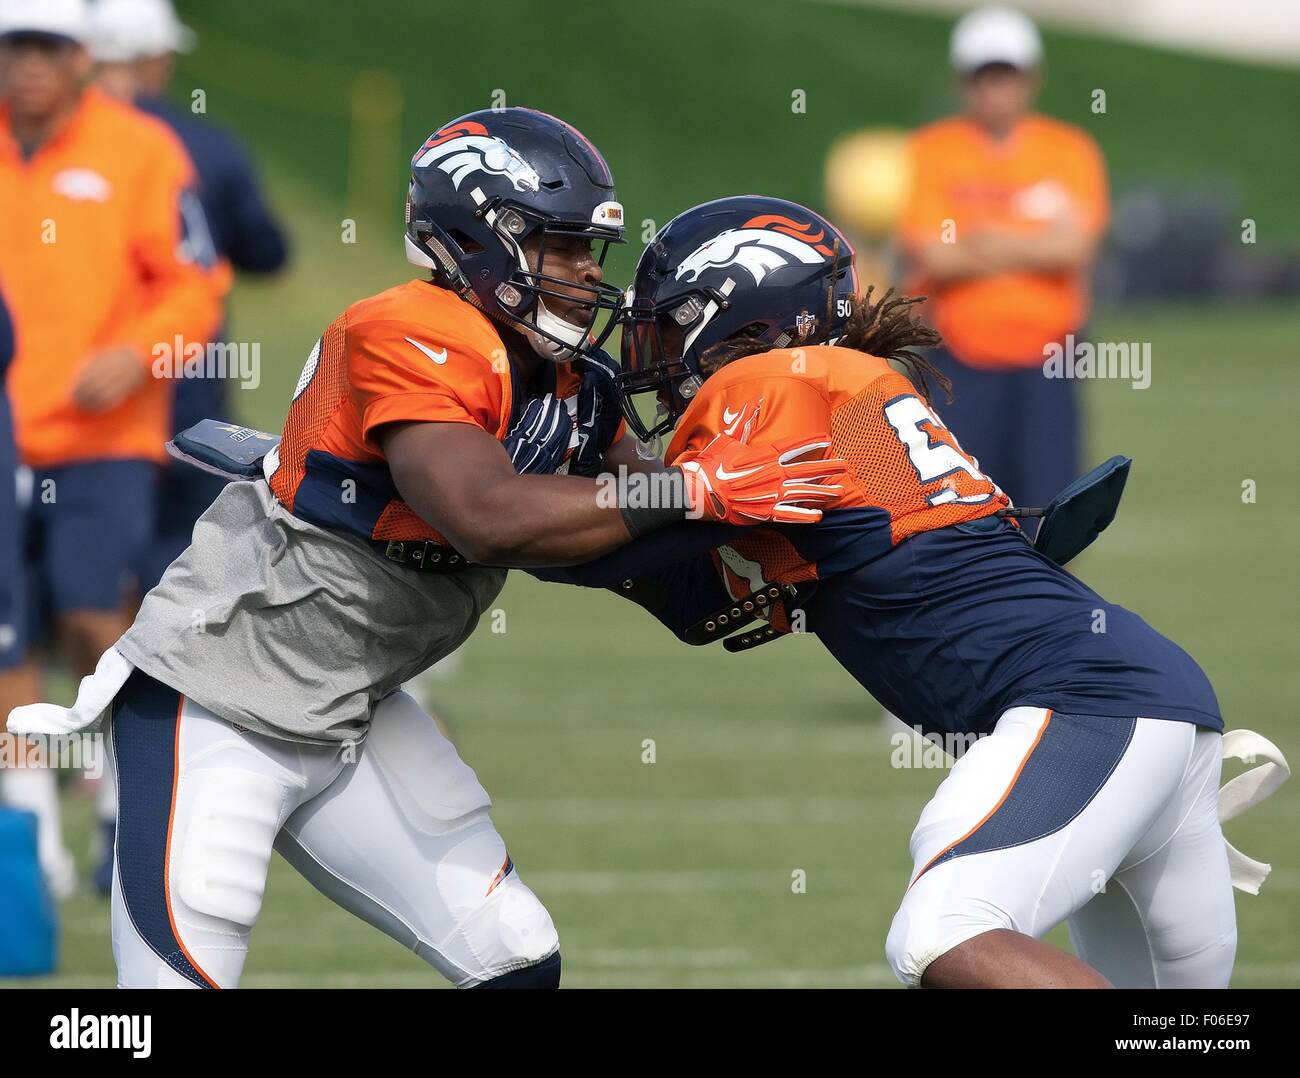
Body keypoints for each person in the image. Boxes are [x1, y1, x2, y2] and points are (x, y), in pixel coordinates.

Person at [7, 112, 844, 988]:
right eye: (563, 247)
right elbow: (485, 514)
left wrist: (797, 560)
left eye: (591, 250)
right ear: (480, 240)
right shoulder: (408, 329)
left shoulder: (575, 386)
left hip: (353, 709)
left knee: (513, 959)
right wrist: (692, 489)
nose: (590, 274)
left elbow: (643, 557)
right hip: (218, 699)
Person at [539, 194, 1282, 988]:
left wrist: (506, 511)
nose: (654, 356)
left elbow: (654, 532)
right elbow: (689, 597)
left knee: (944, 933)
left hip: (1088, 709)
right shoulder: (843, 387)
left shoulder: (770, 384)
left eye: (673, 326)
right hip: (1155, 711)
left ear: (752, 325)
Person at [0, 0, 222, 897]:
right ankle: (29, 833)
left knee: (96, 615)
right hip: (0, 433)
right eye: (14, 48)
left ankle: (121, 807)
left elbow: (197, 284)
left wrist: (138, 356)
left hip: (102, 437)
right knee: (7, 636)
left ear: (84, 55)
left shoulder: (141, 151)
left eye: (47, 48)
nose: (28, 67)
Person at [88, 0, 291, 895]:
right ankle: (138, 806)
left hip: (77, 418)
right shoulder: (198, 147)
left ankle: (90, 797)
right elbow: (267, 250)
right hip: (189, 404)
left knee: (89, 598)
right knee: (177, 599)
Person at [896, 5, 1108, 509]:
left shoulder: (1069, 149)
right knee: (959, 508)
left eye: (1006, 76)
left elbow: (1074, 246)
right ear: (963, 81)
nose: (995, 90)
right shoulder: (931, 150)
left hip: (1049, 362)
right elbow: (932, 253)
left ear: (1030, 79)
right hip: (957, 362)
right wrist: (1031, 243)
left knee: (1049, 509)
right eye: (982, 77)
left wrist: (983, 239)